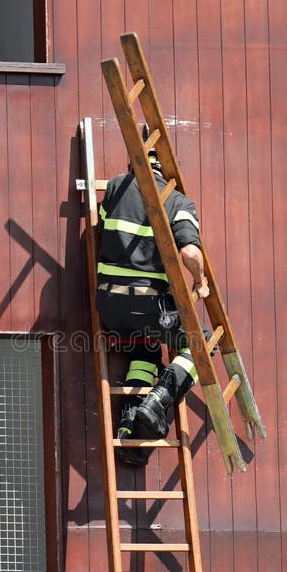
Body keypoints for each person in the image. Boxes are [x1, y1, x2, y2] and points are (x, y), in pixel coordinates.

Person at [95, 132, 210, 465]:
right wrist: (199, 281)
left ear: (133, 160)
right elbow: (189, 251)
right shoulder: (176, 201)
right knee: (201, 343)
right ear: (168, 169)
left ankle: (131, 428)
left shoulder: (114, 188)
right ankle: (159, 400)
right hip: (147, 305)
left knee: (145, 348)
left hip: (108, 307)